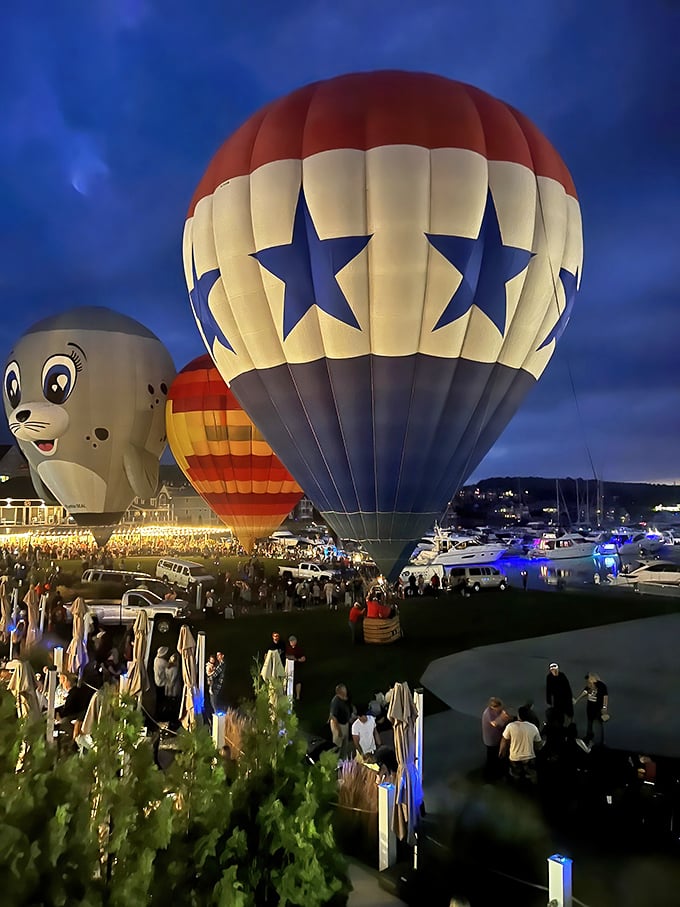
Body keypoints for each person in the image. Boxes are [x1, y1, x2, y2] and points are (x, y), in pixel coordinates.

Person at [500, 705, 543, 784]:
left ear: (519, 715)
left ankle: (517, 787)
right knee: (531, 774)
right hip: (529, 757)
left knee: (516, 774)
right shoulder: (533, 727)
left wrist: (501, 751)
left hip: (515, 757)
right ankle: (533, 789)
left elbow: (504, 740)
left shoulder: (510, 726)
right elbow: (538, 745)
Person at [574, 672, 609, 746]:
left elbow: (605, 696)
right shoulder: (589, 685)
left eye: (589, 679)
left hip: (598, 708)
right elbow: (585, 692)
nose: (588, 682)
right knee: (589, 723)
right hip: (590, 708)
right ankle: (589, 736)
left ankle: (601, 740)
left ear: (593, 678)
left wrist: (604, 707)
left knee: (599, 724)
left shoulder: (601, 686)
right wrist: (577, 700)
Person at [481, 697, 511, 781]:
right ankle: (488, 776)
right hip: (491, 740)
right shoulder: (488, 713)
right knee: (491, 758)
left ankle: (497, 773)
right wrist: (502, 716)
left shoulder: (497, 711)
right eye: (499, 707)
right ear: (493, 707)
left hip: (497, 738)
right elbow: (494, 723)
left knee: (497, 756)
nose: (501, 709)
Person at [329, 683, 353, 759]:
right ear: (340, 692)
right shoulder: (335, 702)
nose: (346, 691)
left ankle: (343, 760)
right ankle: (334, 762)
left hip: (345, 724)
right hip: (338, 725)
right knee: (337, 745)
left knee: (345, 744)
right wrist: (338, 730)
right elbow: (334, 718)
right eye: (344, 690)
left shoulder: (346, 698)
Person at [284, 635, 306, 701]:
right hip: (289, 668)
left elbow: (303, 658)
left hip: (297, 668)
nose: (292, 642)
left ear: (295, 641)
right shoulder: (287, 648)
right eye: (290, 641)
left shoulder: (299, 649)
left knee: (298, 681)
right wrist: (292, 658)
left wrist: (300, 659)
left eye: (293, 641)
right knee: (288, 680)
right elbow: (286, 656)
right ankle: (287, 694)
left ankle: (298, 696)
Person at [154, 646, 169, 718]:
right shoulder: (163, 662)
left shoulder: (156, 660)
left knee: (158, 699)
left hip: (157, 682)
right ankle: (161, 715)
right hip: (162, 683)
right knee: (162, 700)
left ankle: (158, 714)